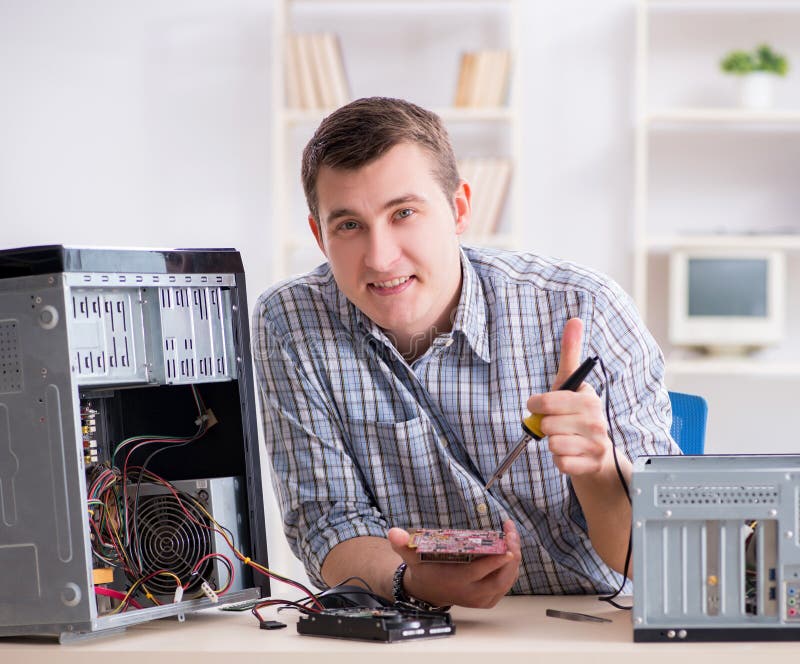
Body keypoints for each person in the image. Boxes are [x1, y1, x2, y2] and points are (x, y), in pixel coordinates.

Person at [252, 96, 679, 610]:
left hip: (586, 624)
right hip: (416, 628)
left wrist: (598, 471)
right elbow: (328, 521)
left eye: (404, 213)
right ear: (320, 236)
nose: (381, 257)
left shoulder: (585, 308)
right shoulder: (291, 322)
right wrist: (410, 582)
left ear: (458, 210)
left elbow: (666, 556)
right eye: (349, 225)